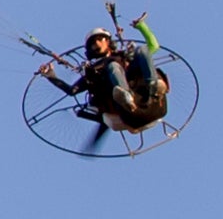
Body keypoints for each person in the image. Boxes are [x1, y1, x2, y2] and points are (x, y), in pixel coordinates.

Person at [34, 15, 169, 135]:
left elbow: (153, 46)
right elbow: (72, 90)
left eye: (100, 39)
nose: (97, 44)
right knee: (113, 66)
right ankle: (126, 97)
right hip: (129, 111)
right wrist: (51, 76)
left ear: (108, 41)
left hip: (151, 102)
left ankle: (153, 85)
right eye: (92, 43)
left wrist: (141, 26)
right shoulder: (94, 72)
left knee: (142, 50)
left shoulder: (124, 57)